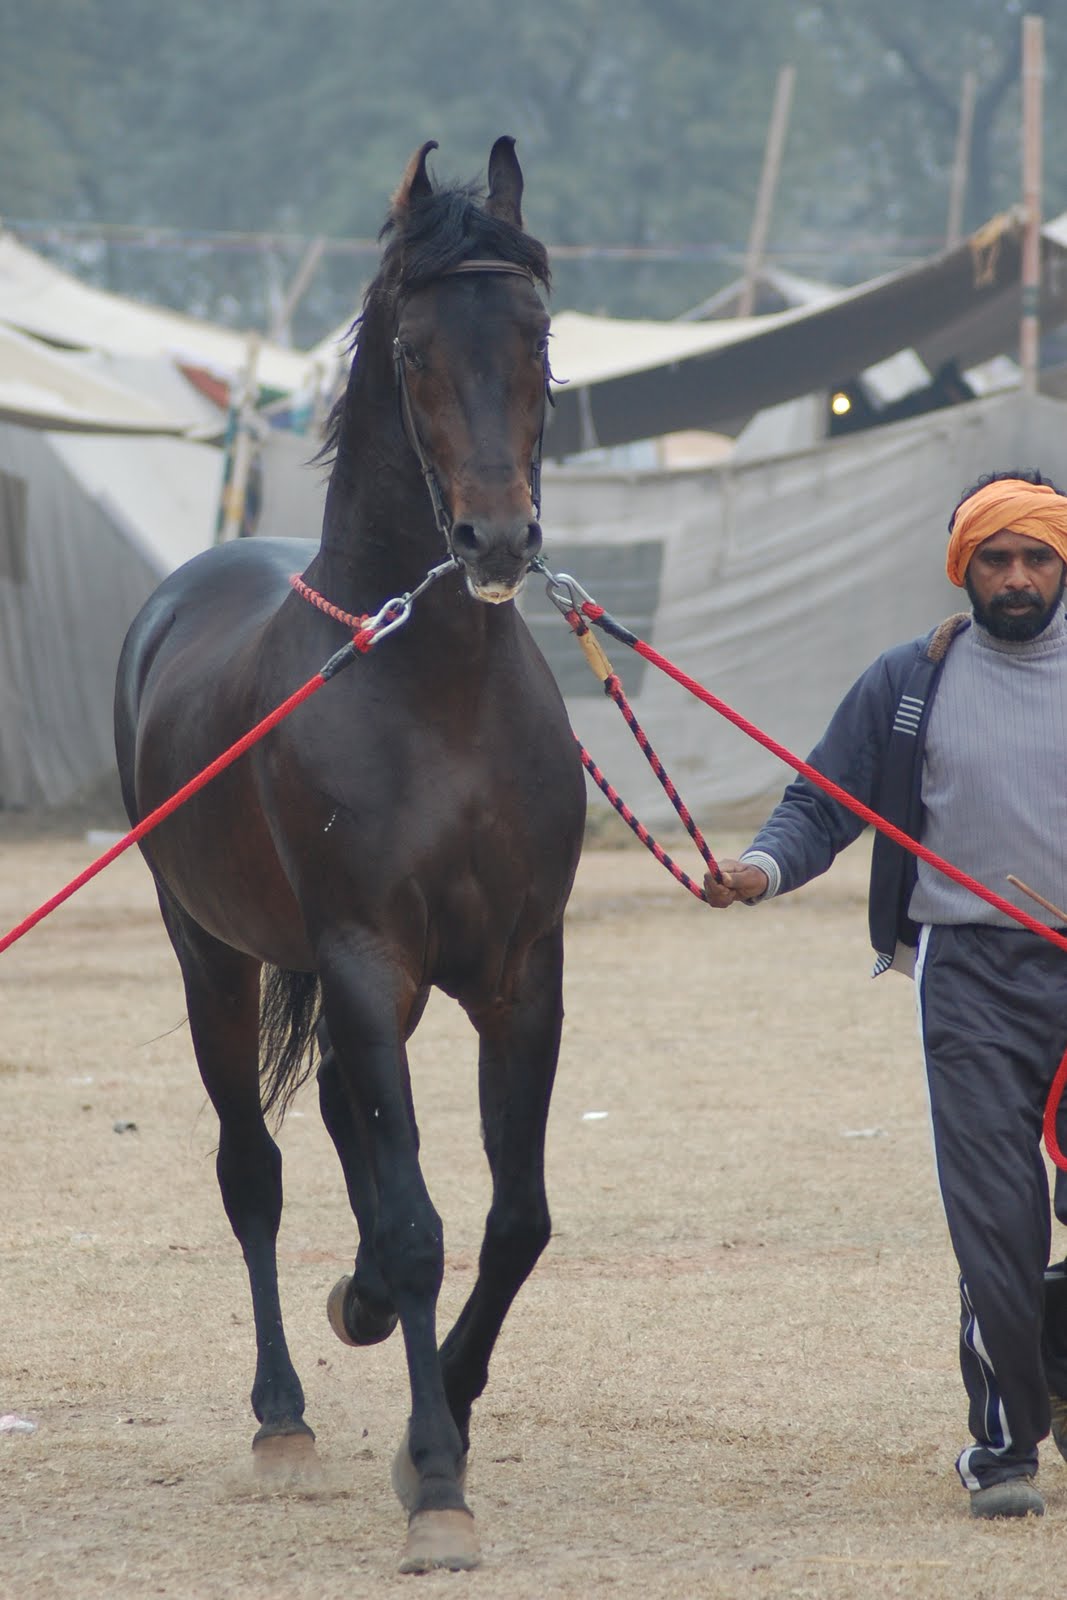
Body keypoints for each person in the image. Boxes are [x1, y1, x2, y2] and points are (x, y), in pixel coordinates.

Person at [705, 470, 1067, 1520]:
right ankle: (1002, 1450)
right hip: (970, 977)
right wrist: (759, 870)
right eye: (993, 559)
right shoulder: (909, 681)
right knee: (994, 1221)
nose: (1014, 577)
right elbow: (818, 802)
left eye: (1035, 556)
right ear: (961, 567)